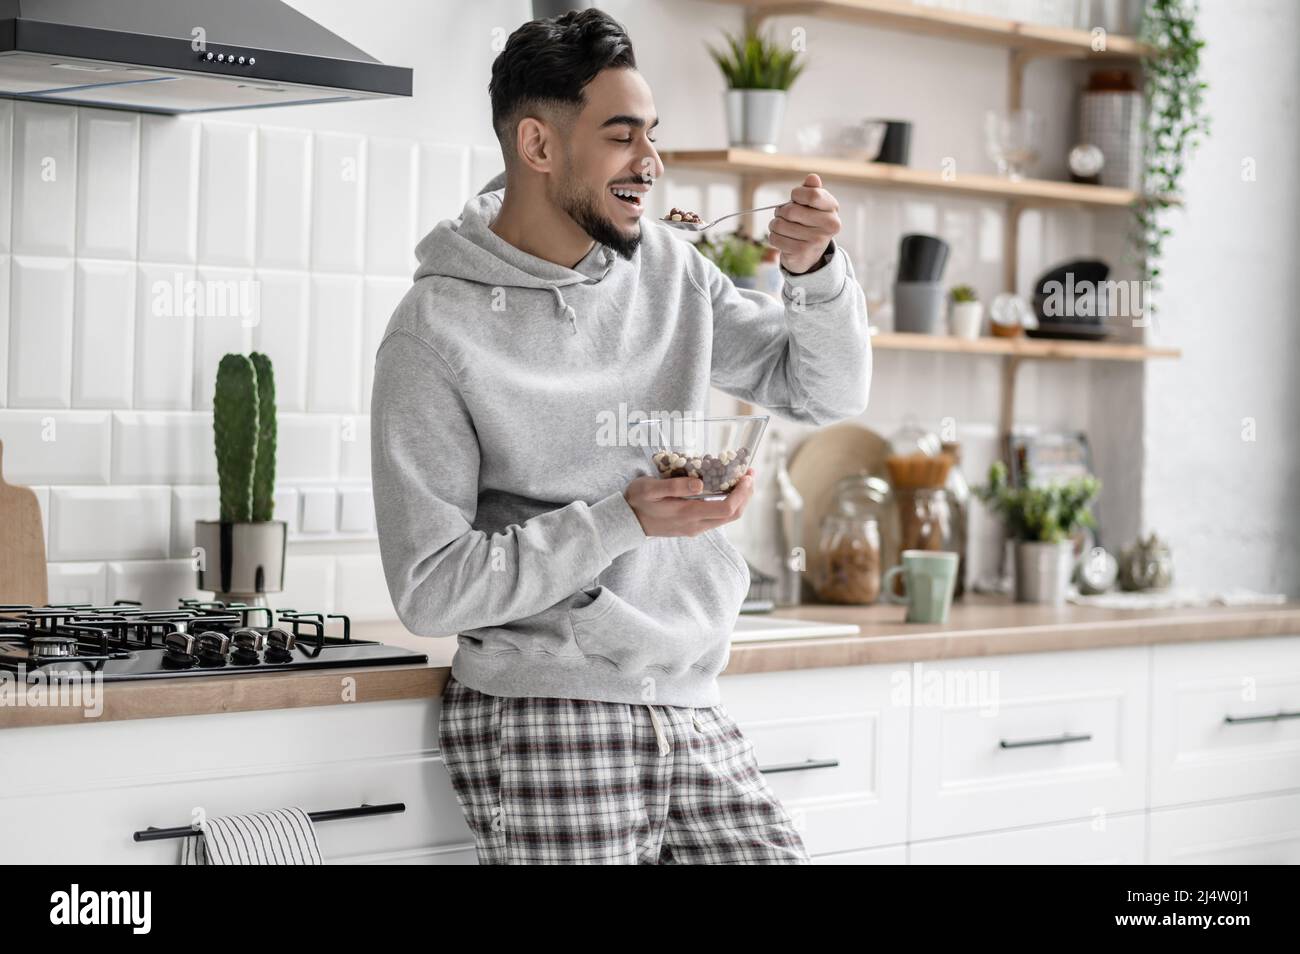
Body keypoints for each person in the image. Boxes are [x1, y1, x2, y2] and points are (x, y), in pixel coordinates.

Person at [370, 7, 871, 864]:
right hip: (546, 710)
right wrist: (625, 520)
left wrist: (814, 276)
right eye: (622, 135)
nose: (652, 162)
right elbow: (431, 590)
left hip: (687, 693)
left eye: (653, 134)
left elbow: (823, 392)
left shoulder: (671, 271)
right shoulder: (436, 331)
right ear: (537, 146)